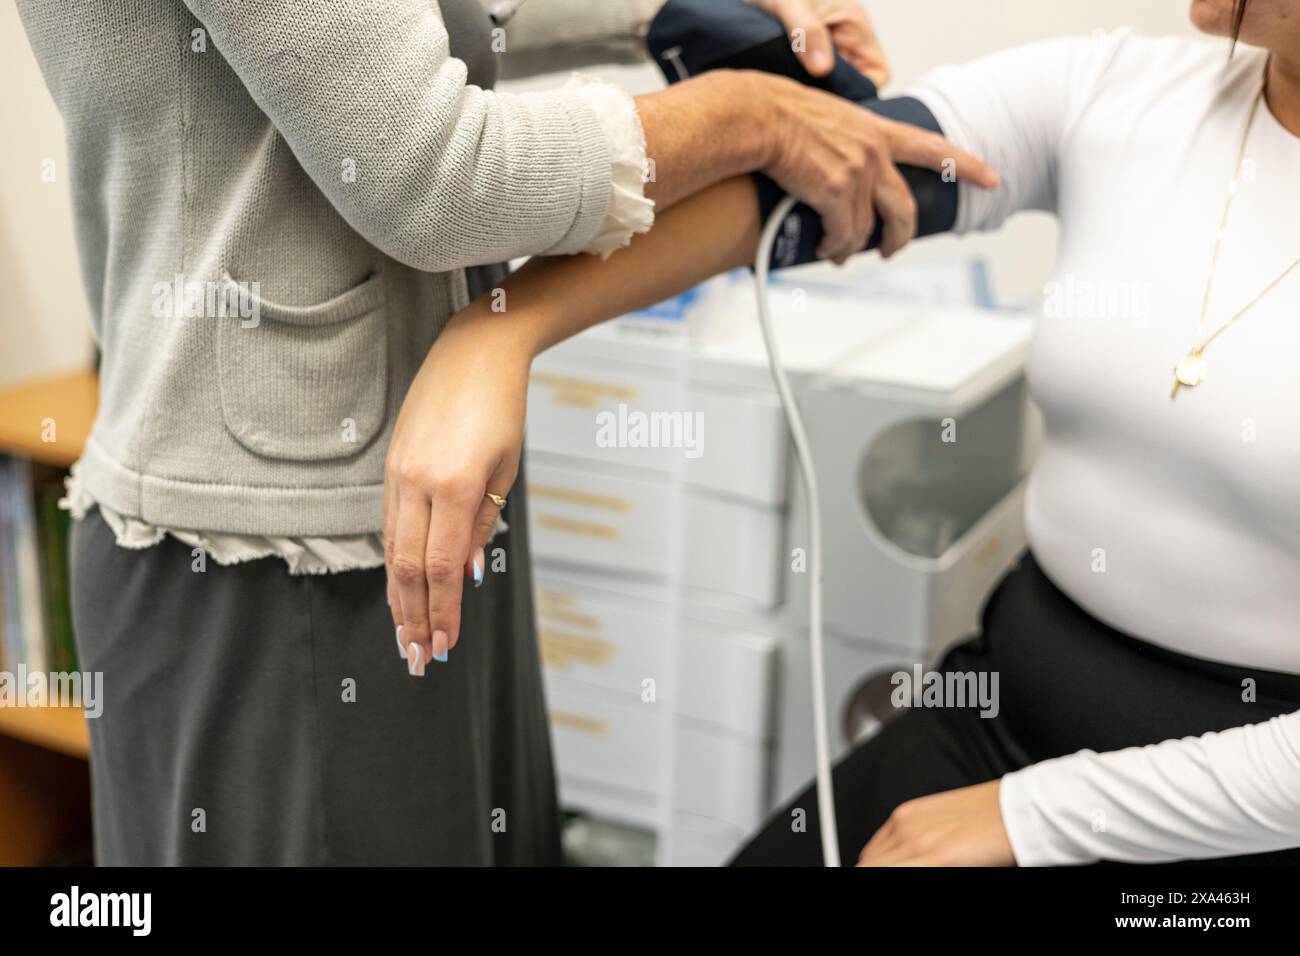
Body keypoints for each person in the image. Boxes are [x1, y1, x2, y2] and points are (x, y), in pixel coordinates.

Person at [16, 0, 992, 864]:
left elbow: (408, 26)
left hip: (418, 484)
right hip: (286, 543)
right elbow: (436, 178)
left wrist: (668, 11)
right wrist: (756, 118)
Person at [398, 0, 1300, 866]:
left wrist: (1038, 819)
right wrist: (502, 332)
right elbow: (811, 179)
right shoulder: (1121, 90)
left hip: (1243, 809)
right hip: (1010, 702)